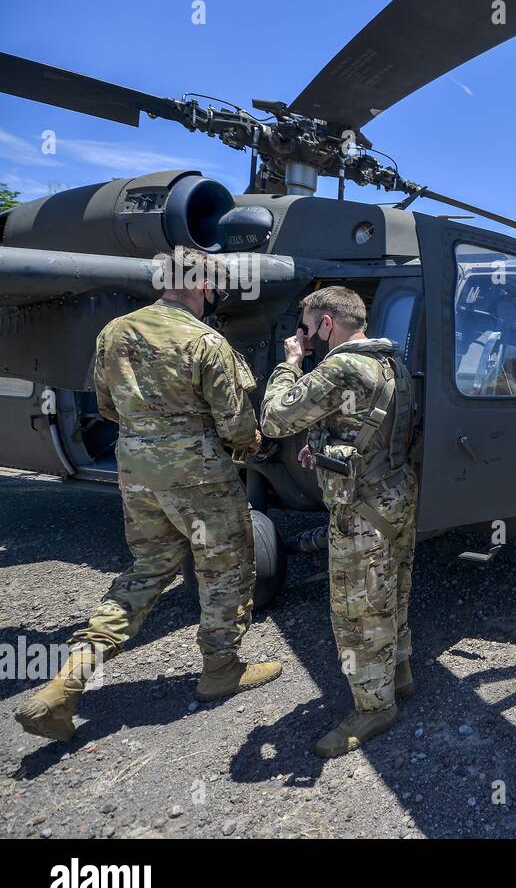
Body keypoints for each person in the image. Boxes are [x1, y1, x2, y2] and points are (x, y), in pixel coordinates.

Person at [15, 247, 281, 743]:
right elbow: (236, 423)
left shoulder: (114, 332)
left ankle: (64, 683)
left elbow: (108, 407)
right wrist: (252, 444)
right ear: (203, 288)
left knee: (149, 567)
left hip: (137, 471)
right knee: (226, 568)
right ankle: (220, 669)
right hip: (198, 477)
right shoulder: (206, 341)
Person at [260, 285, 417, 758]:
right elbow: (375, 429)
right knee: (392, 590)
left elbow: (273, 419)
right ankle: (400, 673)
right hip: (394, 495)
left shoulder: (342, 365)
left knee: (356, 611)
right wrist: (327, 450)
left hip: (360, 509)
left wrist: (290, 361)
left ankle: (373, 707)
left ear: (327, 324)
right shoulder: (391, 363)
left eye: (307, 327)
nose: (304, 336)